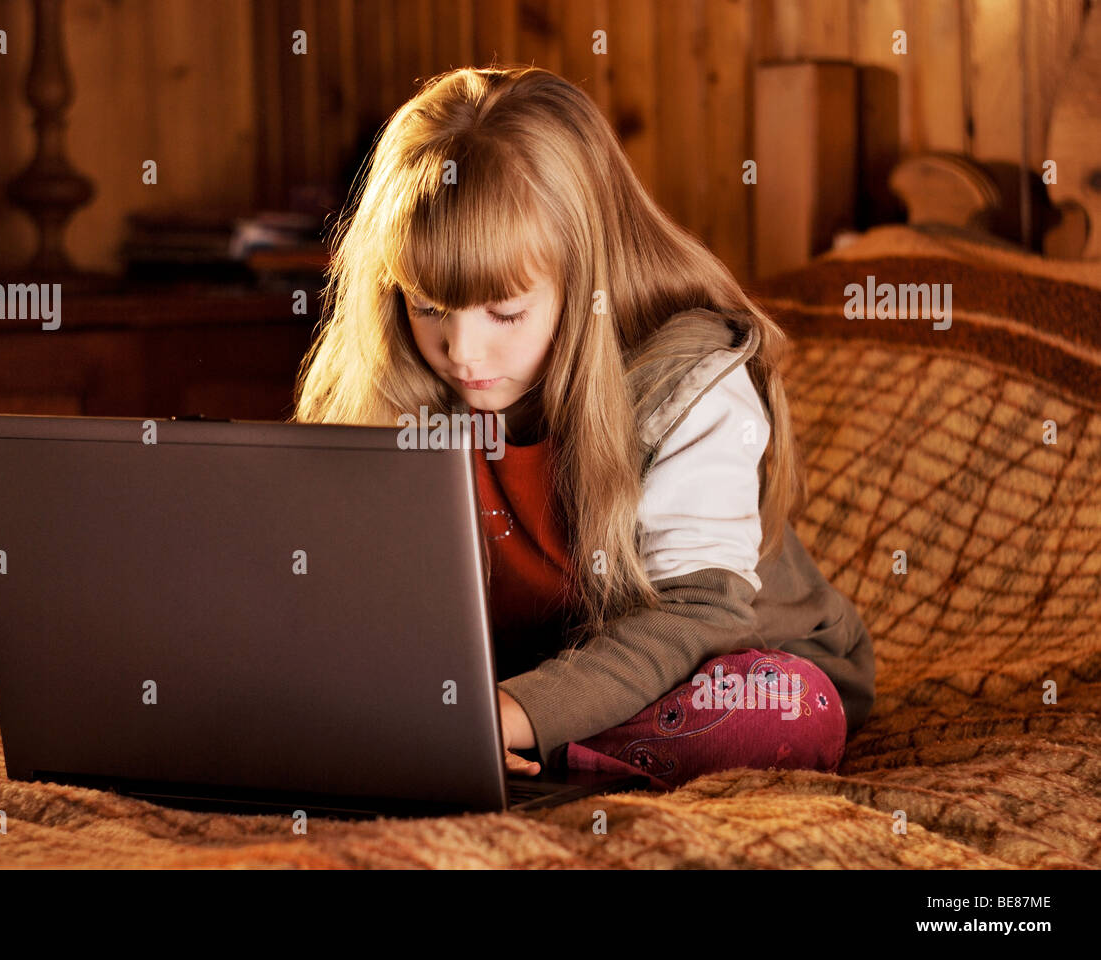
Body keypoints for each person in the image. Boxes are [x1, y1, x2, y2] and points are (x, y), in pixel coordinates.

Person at [293, 64, 875, 791]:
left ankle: (533, 751)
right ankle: (503, 740)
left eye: (506, 312)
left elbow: (697, 615)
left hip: (721, 661)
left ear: (588, 274)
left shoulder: (690, 378)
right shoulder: (413, 382)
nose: (463, 353)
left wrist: (505, 715)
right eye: (429, 306)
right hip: (526, 676)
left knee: (786, 709)